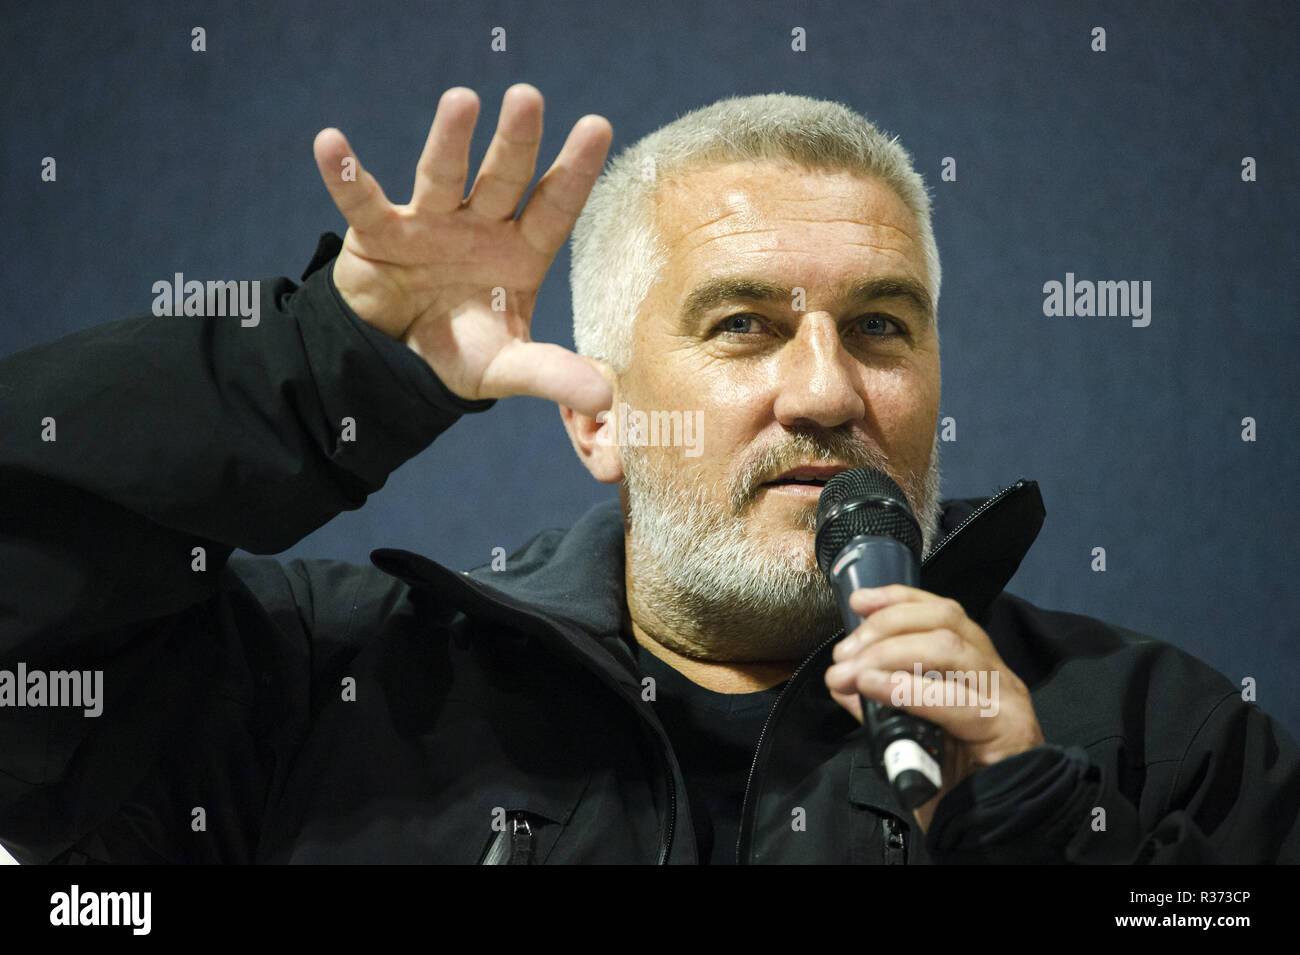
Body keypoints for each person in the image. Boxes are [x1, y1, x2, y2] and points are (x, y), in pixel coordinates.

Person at [1, 83, 1296, 864]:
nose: (830, 391)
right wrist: (323, 372)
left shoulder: (1154, 740)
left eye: (884, 328)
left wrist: (1042, 830)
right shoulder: (323, 695)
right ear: (597, 421)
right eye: (743, 327)